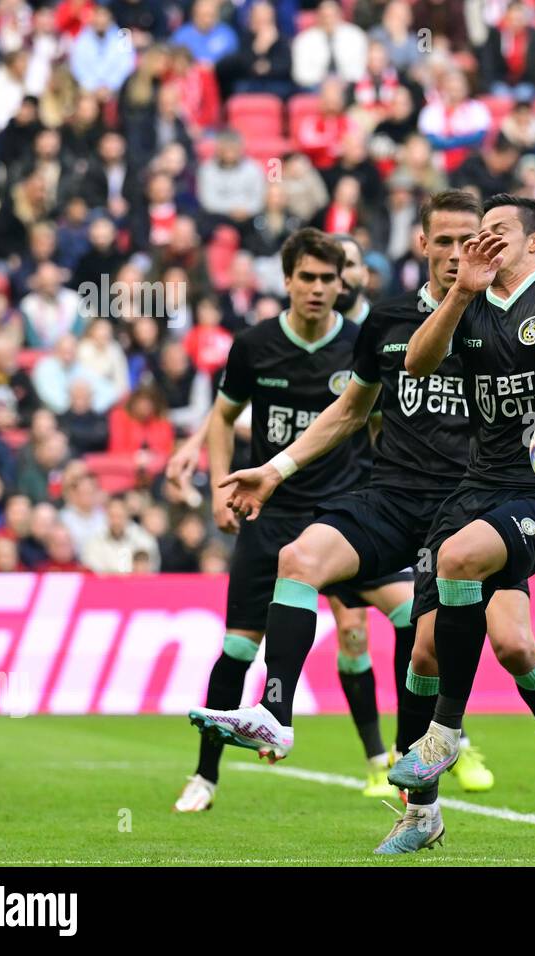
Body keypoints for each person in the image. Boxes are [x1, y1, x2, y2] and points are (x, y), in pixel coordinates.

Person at [209, 194, 535, 852]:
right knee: (462, 646)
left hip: (527, 493)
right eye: (456, 239)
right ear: (423, 243)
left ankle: (517, 750)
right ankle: (417, 805)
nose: (468, 249)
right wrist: (278, 468)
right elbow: (405, 375)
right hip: (458, 498)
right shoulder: (450, 309)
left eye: (485, 235)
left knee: (471, 595)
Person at [348, 193, 535, 851]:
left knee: (460, 561)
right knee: (451, 648)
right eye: (477, 233)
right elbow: (415, 362)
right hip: (477, 487)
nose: (481, 241)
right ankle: (428, 813)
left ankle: (457, 735)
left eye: (497, 231)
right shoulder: (468, 300)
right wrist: (456, 294)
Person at [173, 228, 404, 812]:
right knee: (238, 650)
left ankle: (406, 756)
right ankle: (205, 775)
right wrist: (222, 490)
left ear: (341, 284)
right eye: (308, 278)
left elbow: (377, 426)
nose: (319, 289)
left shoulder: (361, 341)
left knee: (407, 615)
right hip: (270, 515)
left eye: (329, 279)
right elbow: (223, 418)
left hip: (343, 516)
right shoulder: (253, 345)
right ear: (288, 281)